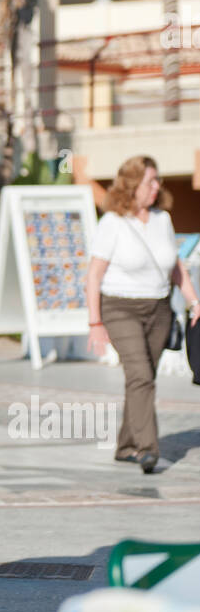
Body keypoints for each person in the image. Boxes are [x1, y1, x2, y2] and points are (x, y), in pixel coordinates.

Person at [85, 155, 200, 473]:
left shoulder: (162, 219)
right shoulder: (112, 223)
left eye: (158, 180)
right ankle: (148, 449)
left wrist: (193, 301)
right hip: (120, 308)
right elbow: (94, 275)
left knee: (141, 379)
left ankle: (125, 445)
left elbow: (175, 267)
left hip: (159, 310)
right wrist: (95, 323)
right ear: (132, 185)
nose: (157, 186)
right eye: (151, 180)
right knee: (141, 376)